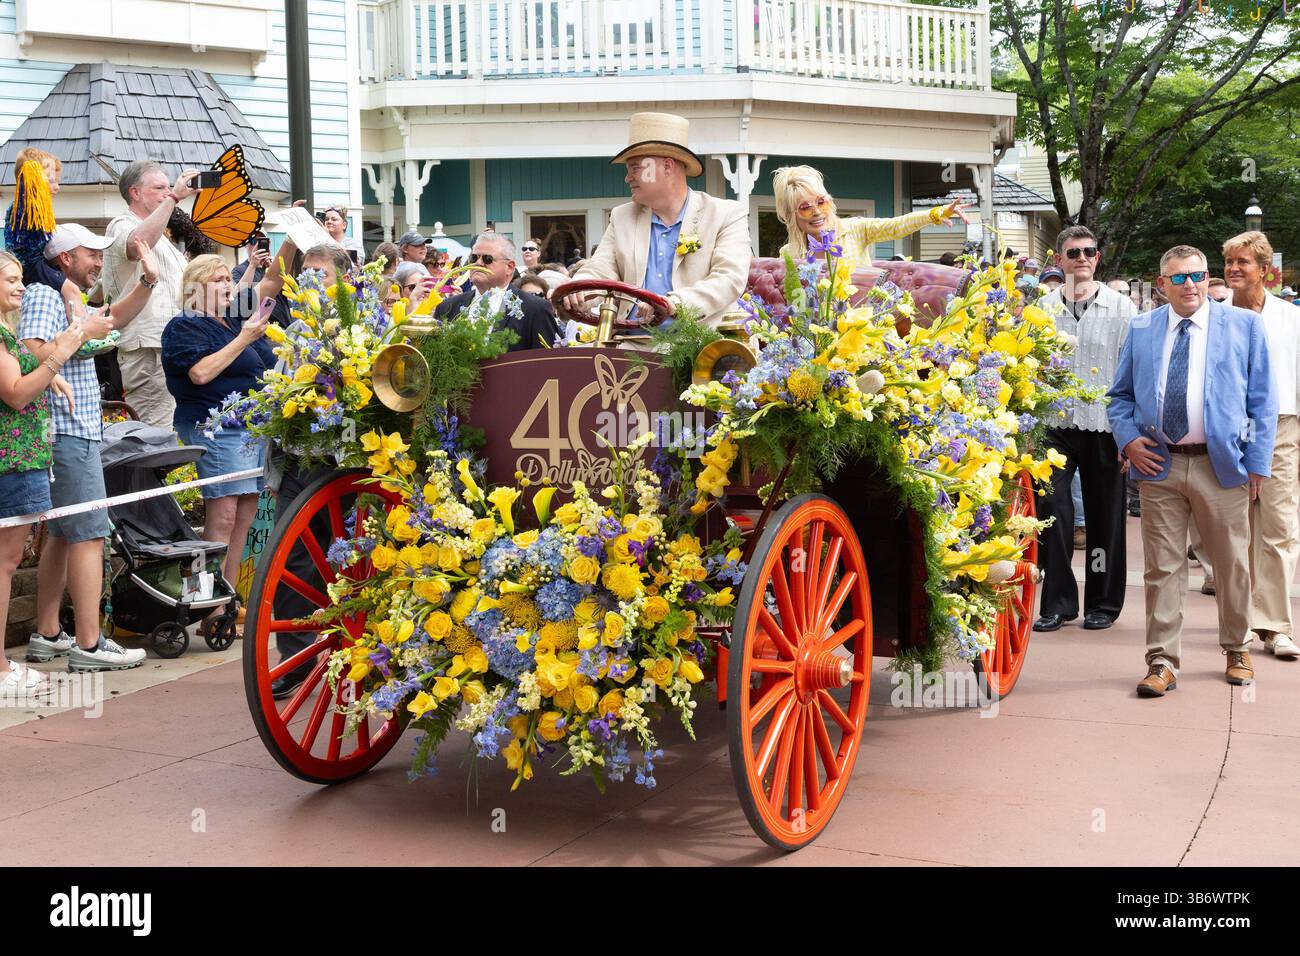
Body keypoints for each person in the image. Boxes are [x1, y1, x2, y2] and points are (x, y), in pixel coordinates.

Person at [1108, 244, 1276, 696]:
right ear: (1162, 285)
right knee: (1162, 569)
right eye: (1179, 278)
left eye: (1197, 276)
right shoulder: (1142, 328)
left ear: (1208, 278)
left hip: (1222, 465)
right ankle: (1161, 661)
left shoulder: (1243, 325)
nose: (1190, 286)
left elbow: (1262, 400)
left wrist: (1257, 462)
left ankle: (1237, 647)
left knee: (1231, 564)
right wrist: (1127, 439)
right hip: (1160, 465)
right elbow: (1119, 396)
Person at [20, 224, 160, 672]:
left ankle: (47, 633)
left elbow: (113, 318)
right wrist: (83, 332)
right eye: (91, 255)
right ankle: (89, 643)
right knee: (89, 534)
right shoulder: (46, 295)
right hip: (67, 430)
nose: (99, 262)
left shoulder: (70, 297)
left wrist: (148, 280)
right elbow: (34, 350)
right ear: (65, 258)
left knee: (62, 535)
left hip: (71, 431)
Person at [160, 250, 289, 628]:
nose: (228, 287)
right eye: (218, 281)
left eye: (227, 280)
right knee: (223, 515)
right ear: (196, 288)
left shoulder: (232, 323)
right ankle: (207, 604)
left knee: (245, 515)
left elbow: (273, 287)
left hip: (250, 430)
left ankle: (226, 598)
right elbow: (201, 373)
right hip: (214, 426)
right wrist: (245, 338)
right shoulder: (185, 325)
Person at [1033, 225, 1134, 632]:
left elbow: (1133, 372)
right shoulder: (1040, 308)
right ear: (1059, 259)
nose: (1081, 258)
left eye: (1088, 252)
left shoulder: (1122, 309)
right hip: (1053, 423)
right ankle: (1057, 603)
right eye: (1072, 252)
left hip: (1105, 423)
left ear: (1098, 257)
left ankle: (1103, 603)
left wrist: (1131, 434)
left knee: (1104, 514)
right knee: (1052, 512)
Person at [569, 112, 752, 327]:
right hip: (632, 343)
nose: (627, 177)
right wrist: (578, 289)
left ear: (667, 166)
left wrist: (674, 303)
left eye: (635, 167)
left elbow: (728, 280)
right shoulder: (621, 217)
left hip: (702, 346)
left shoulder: (726, 214)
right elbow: (600, 270)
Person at [0, 250, 80, 695]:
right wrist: (58, 357)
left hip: (22, 461)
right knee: (5, 564)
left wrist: (51, 375)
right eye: (11, 279)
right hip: (13, 463)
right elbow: (13, 394)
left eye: (21, 278)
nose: (21, 286)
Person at [1222, 231, 1300, 660]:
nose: (1234, 268)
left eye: (1244, 262)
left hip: (1282, 428)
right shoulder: (1213, 315)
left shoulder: (1292, 319)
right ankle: (1239, 620)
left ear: (1266, 270)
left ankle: (1274, 624)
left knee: (1278, 527)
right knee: (1235, 530)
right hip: (1228, 433)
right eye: (1230, 261)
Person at [101, 159, 202, 430]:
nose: (166, 192)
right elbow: (138, 244)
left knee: (173, 432)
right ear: (135, 193)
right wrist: (175, 197)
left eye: (168, 187)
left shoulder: (163, 237)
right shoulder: (121, 224)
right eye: (159, 188)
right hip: (148, 349)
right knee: (154, 436)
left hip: (172, 346)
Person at [773, 165, 967, 270]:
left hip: (863, 328)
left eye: (821, 202)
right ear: (792, 216)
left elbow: (896, 226)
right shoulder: (788, 254)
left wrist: (934, 213)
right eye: (805, 207)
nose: (816, 212)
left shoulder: (854, 229)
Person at [435, 231, 559, 350]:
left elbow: (548, 362)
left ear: (510, 267)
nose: (478, 263)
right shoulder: (447, 307)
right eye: (473, 258)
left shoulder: (535, 309)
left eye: (487, 259)